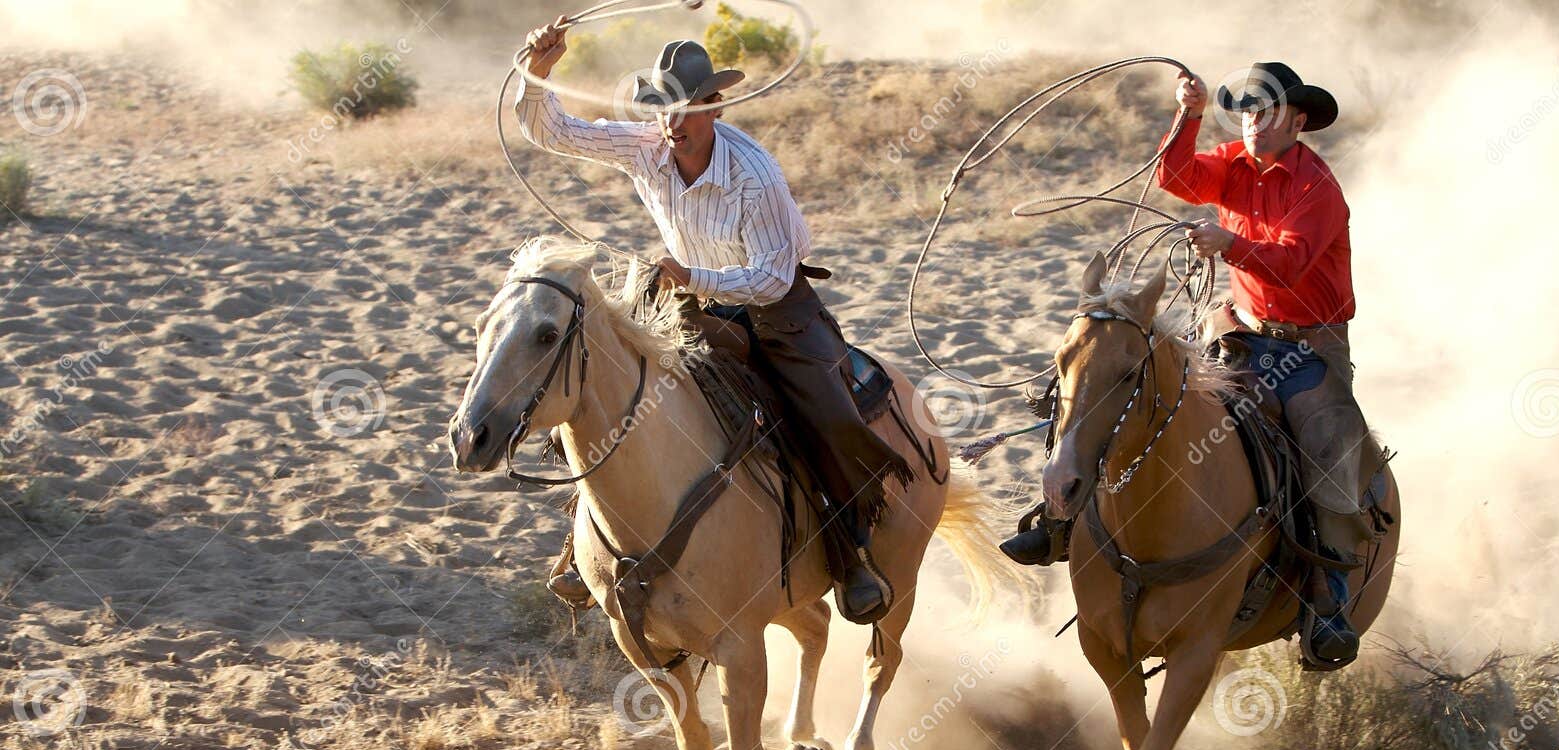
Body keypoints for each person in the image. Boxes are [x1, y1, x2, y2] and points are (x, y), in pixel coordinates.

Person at [518, 20, 913, 625]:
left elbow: (771, 278)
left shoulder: (754, 175)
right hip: (687, 298)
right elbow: (556, 132)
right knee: (604, 378)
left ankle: (851, 549)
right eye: (663, 108)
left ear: (715, 106)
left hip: (775, 311)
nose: (672, 122)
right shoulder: (646, 147)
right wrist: (539, 74)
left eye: (686, 108)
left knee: (824, 414)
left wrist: (694, 277)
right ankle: (584, 540)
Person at [1001, 61, 1368, 666]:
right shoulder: (1234, 163)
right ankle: (1060, 519)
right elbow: (1177, 176)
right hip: (1237, 329)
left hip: (1310, 347)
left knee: (1328, 444)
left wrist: (1231, 244)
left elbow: (1291, 265)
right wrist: (1190, 114)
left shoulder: (1317, 188)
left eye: (1268, 111)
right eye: (1246, 112)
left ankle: (1329, 596)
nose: (1254, 122)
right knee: (1127, 389)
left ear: (1298, 121)